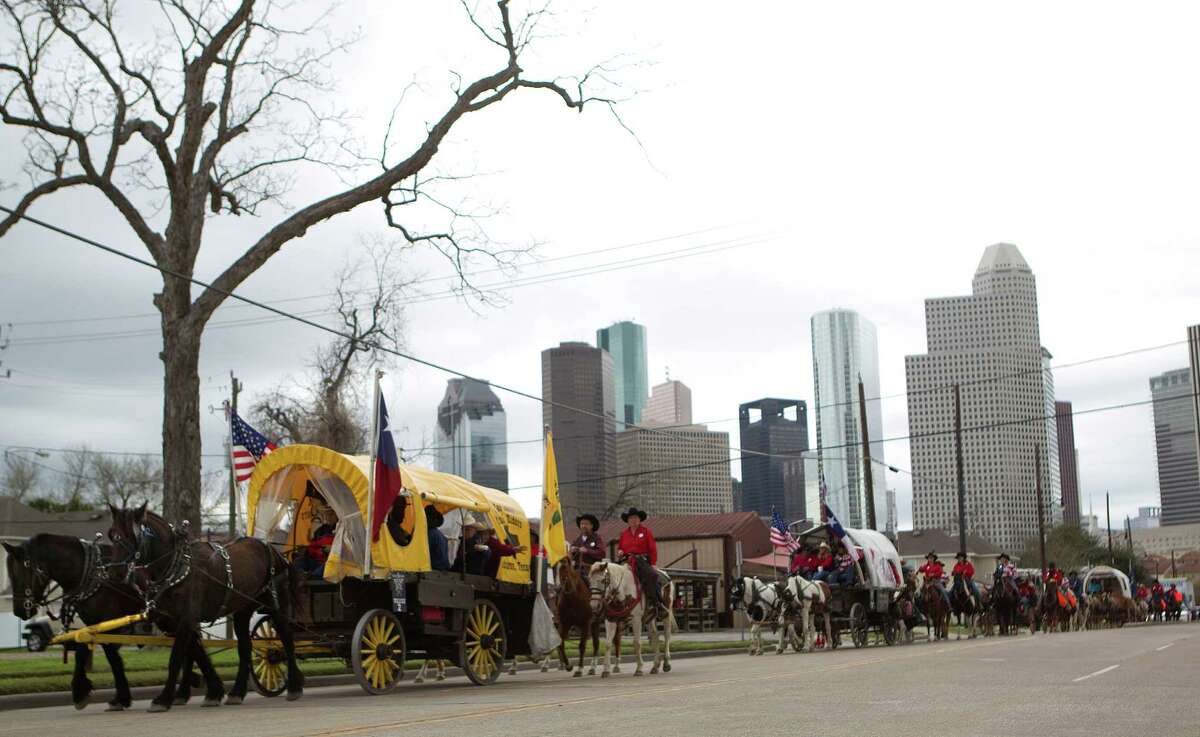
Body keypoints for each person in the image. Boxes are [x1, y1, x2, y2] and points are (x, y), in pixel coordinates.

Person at [617, 507, 662, 609]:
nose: (633, 520)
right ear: (627, 520)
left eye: (635, 518)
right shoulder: (624, 534)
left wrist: (653, 563)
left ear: (639, 519)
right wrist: (620, 552)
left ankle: (655, 600)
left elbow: (652, 548)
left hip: (642, 561)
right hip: (626, 560)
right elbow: (620, 548)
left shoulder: (646, 531)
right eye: (631, 518)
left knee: (652, 575)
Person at [426, 506, 451, 571]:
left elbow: (426, 554)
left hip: (435, 570)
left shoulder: (430, 534)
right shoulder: (440, 534)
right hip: (443, 569)